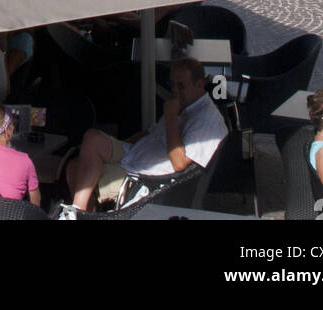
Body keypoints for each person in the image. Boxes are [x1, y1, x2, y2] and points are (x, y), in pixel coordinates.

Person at [63, 57, 227, 212]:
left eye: (181, 86)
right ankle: (83, 213)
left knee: (76, 170)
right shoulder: (182, 104)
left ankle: (78, 212)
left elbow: (179, 163)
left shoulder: (206, 119)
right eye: (173, 85)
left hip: (145, 178)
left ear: (199, 85)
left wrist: (171, 116)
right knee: (92, 139)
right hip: (134, 154)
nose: (175, 91)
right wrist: (115, 146)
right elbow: (150, 133)